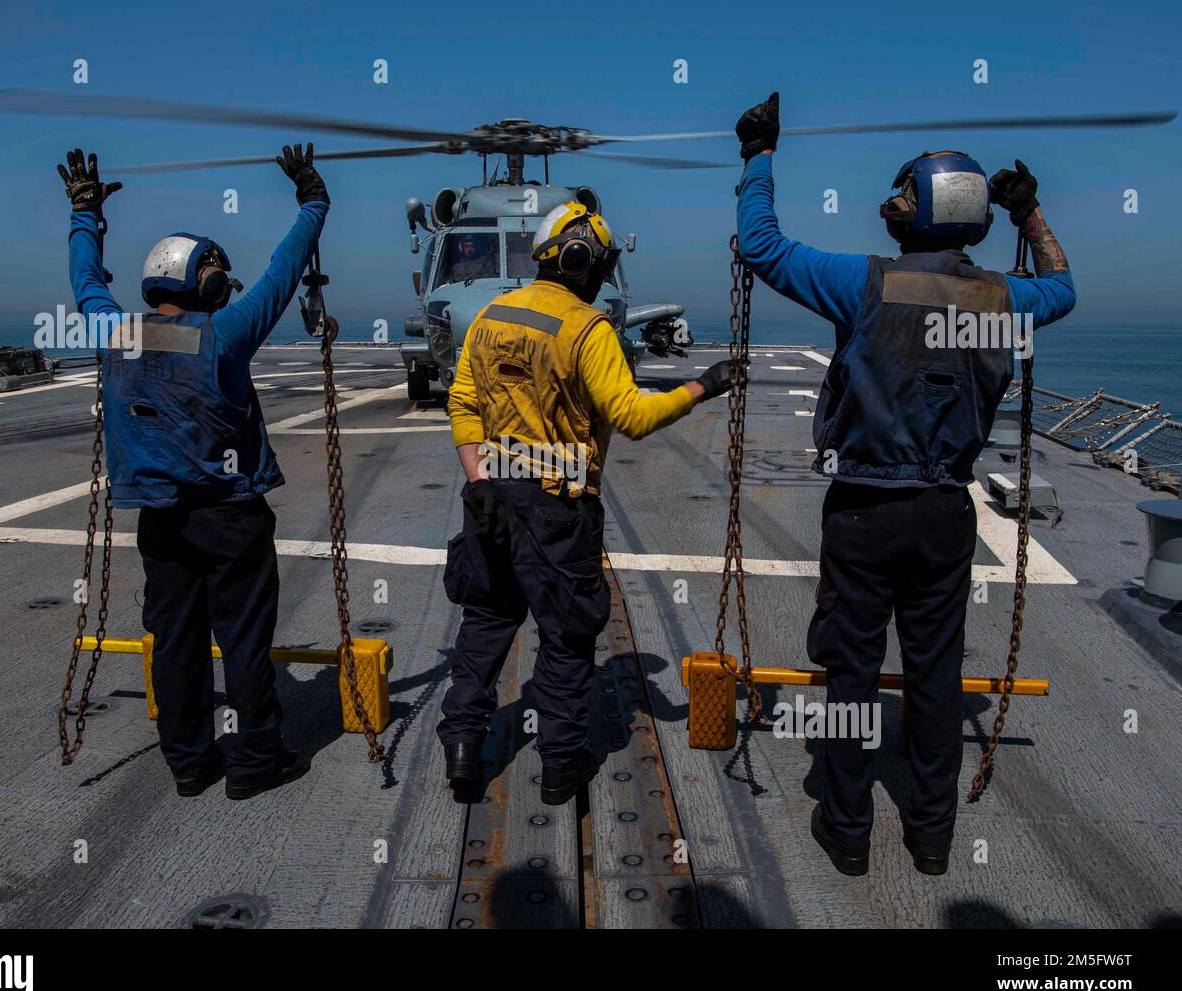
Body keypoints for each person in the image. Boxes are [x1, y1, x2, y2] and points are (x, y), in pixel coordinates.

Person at [733, 93, 1075, 875]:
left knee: (851, 671)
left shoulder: (863, 284)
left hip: (863, 508)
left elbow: (761, 245)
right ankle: (931, 837)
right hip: (944, 514)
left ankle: (847, 832)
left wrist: (759, 156)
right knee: (935, 673)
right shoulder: (1003, 299)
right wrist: (1033, 218)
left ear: (906, 212)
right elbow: (1062, 287)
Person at [438, 200, 735, 805]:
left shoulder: (491, 316)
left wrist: (479, 482)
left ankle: (464, 750)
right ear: (590, 264)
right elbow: (631, 415)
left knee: (486, 625)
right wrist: (704, 386)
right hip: (558, 507)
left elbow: (462, 403)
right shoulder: (588, 328)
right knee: (567, 639)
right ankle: (559, 767)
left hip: (489, 496)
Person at [60, 143, 331, 800]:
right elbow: (284, 269)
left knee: (176, 642)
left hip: (163, 523)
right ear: (204, 282)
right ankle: (254, 762)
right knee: (242, 640)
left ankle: (188, 763)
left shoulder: (115, 332)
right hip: (230, 518)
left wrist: (86, 216)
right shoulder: (226, 333)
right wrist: (313, 201)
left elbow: (87, 282)